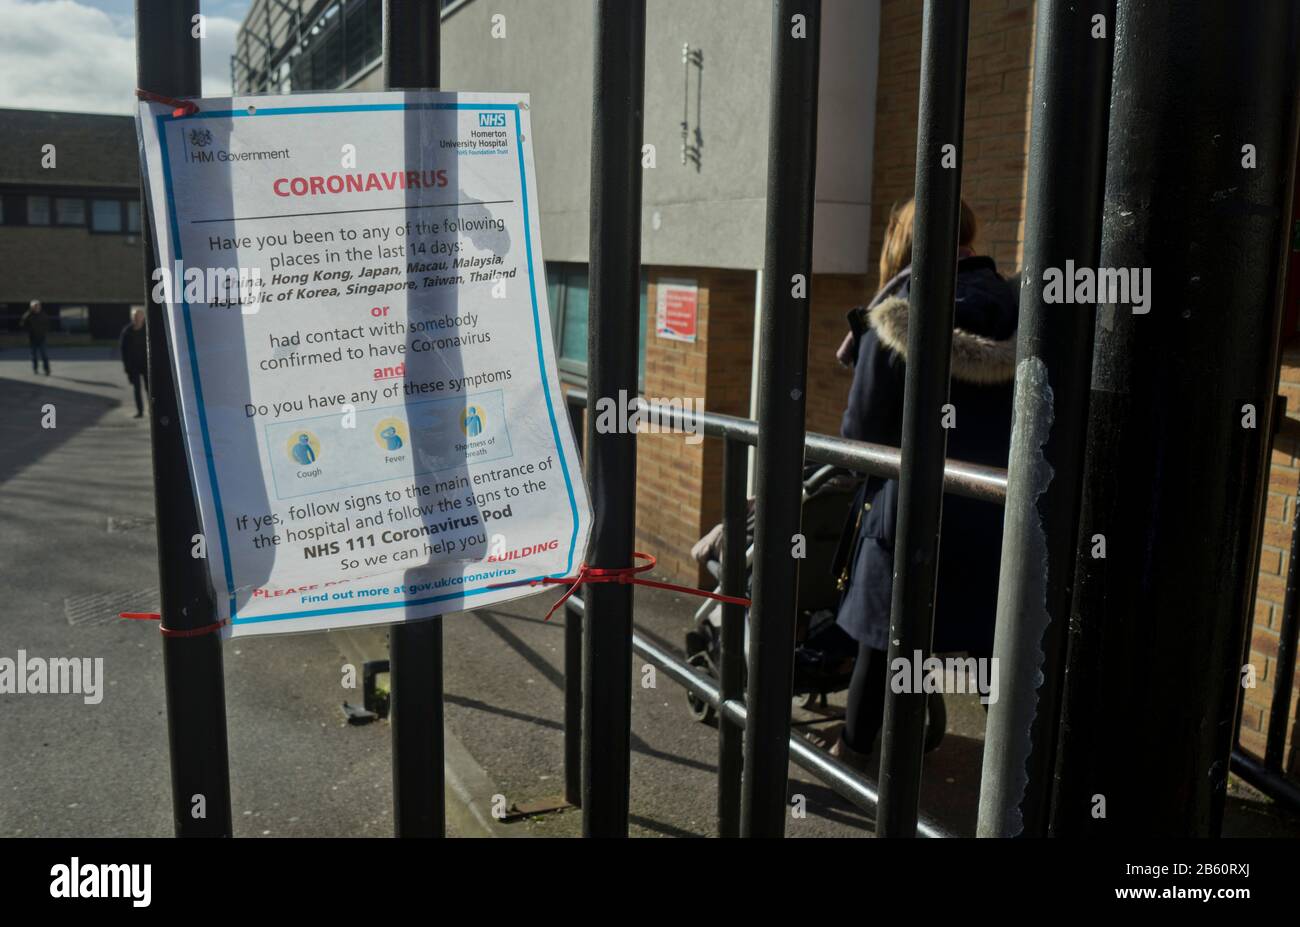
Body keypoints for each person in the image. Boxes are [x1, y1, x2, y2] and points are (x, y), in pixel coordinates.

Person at [827, 197, 1018, 769]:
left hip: (912, 516)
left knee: (883, 643)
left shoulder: (900, 310)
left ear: (902, 242)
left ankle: (854, 757)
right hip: (995, 511)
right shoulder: (1016, 306)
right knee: (990, 645)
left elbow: (861, 433)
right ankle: (1015, 773)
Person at [119, 308, 150, 418]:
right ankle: (140, 411)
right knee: (137, 389)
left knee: (149, 389)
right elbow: (123, 351)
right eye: (136, 317)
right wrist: (127, 368)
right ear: (133, 318)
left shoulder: (148, 330)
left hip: (147, 365)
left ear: (143, 317)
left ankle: (152, 411)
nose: (138, 319)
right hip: (134, 366)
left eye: (140, 316)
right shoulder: (127, 331)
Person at [20, 300, 51, 375]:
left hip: (42, 338)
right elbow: (22, 324)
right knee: (34, 356)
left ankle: (47, 370)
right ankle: (35, 368)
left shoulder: (43, 315)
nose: (37, 307)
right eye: (35, 306)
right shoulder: (29, 315)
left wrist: (44, 332)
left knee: (44, 355)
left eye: (38, 306)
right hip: (33, 338)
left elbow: (48, 324)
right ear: (32, 307)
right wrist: (29, 330)